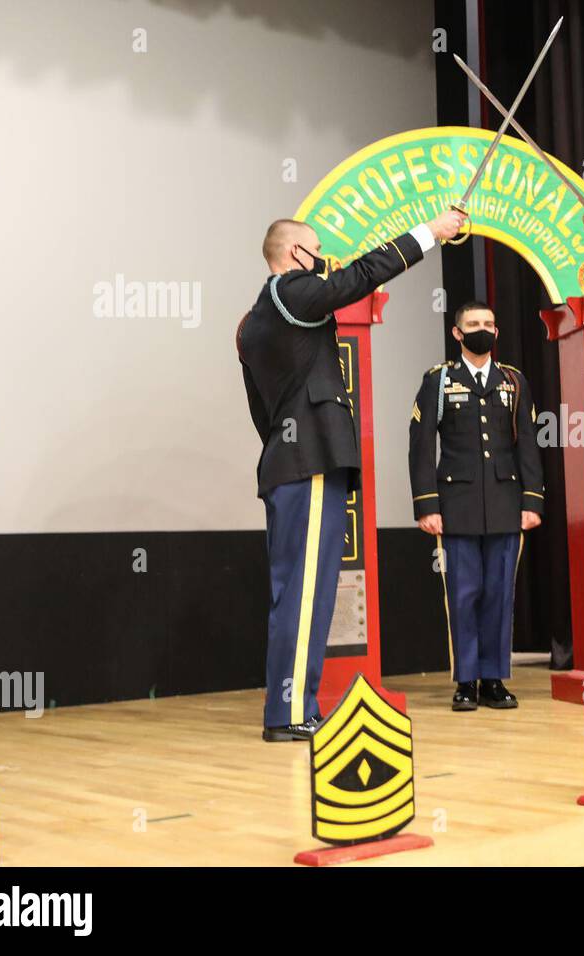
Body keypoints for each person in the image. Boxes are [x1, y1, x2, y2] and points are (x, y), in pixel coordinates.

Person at [238, 209, 465, 741]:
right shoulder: (292, 292)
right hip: (310, 462)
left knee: (299, 591)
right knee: (304, 592)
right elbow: (362, 275)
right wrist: (430, 234)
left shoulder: (252, 324)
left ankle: (294, 707)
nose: (323, 260)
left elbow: (261, 414)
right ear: (295, 255)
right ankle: (291, 713)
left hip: (289, 462)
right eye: (316, 250)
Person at [408, 301, 544, 710]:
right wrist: (426, 504)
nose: (481, 329)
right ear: (457, 333)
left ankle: (494, 678)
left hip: (506, 501)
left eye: (488, 323)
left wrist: (532, 500)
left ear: (497, 331)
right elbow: (420, 445)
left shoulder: (513, 380)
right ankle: (466, 680)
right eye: (473, 324)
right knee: (464, 594)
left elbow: (529, 444)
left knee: (499, 594)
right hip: (457, 503)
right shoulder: (439, 379)